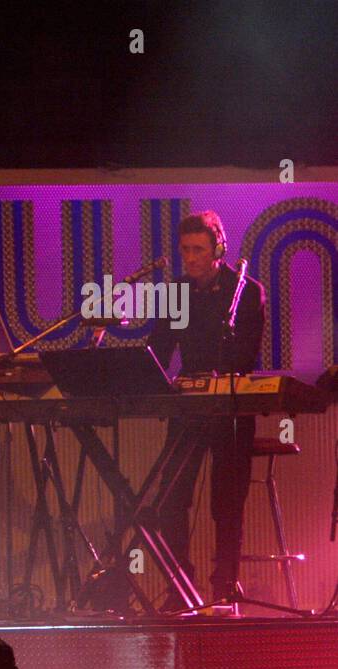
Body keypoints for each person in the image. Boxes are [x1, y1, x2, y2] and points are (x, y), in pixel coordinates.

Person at [147, 210, 265, 607]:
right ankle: (181, 588)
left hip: (230, 408)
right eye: (185, 250)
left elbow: (247, 356)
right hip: (189, 410)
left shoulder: (246, 291)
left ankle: (225, 584)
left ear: (218, 249)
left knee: (226, 502)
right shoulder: (176, 293)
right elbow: (159, 352)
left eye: (198, 249)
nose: (191, 258)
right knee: (170, 499)